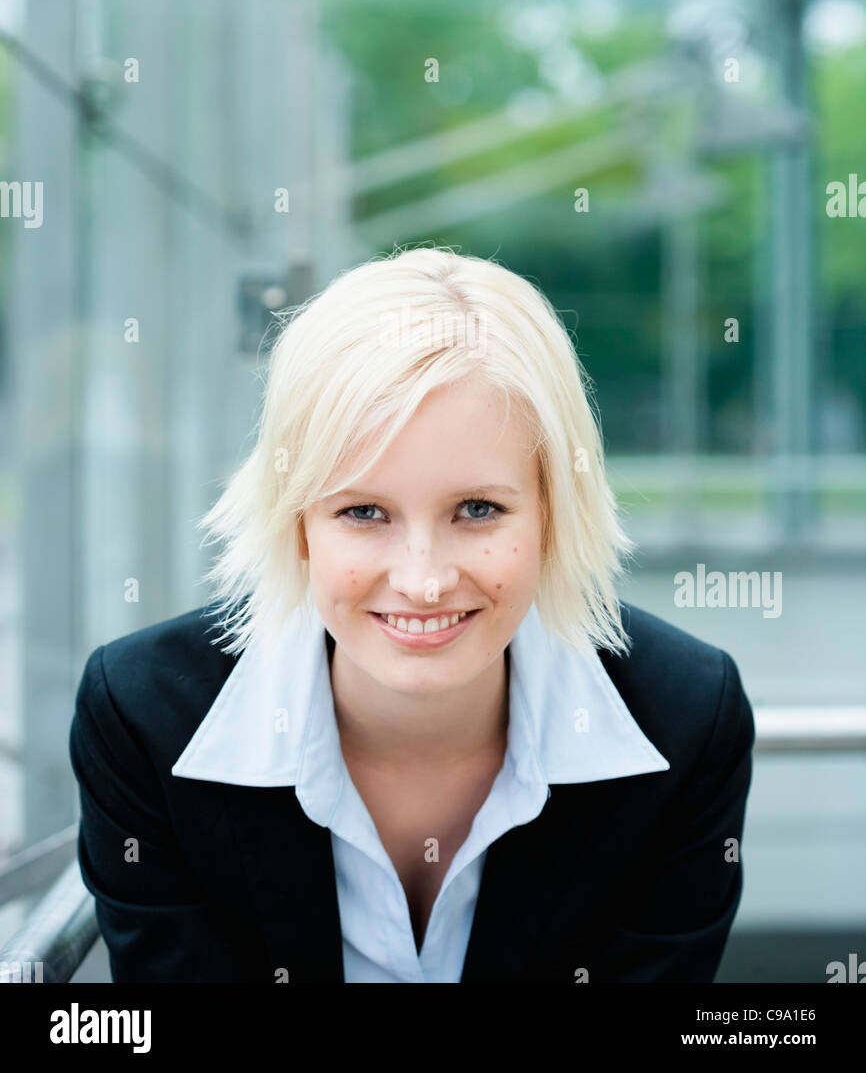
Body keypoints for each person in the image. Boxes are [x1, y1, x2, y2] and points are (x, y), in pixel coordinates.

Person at [69, 245, 754, 983]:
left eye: (478, 509)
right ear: (296, 521)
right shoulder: (145, 720)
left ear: (553, 513)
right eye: (364, 512)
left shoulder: (685, 721)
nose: (424, 581)